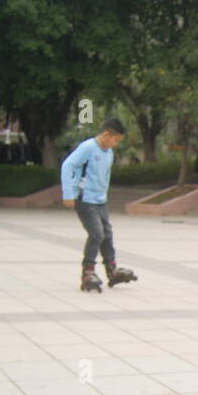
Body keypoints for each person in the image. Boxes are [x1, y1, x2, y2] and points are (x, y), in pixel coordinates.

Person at [61, 117, 138, 293]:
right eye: (115, 140)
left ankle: (112, 270)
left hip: (100, 200)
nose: (115, 144)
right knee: (96, 234)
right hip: (85, 199)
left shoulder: (108, 152)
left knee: (107, 234)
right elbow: (68, 166)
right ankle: (88, 272)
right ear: (106, 134)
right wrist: (68, 194)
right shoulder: (88, 147)